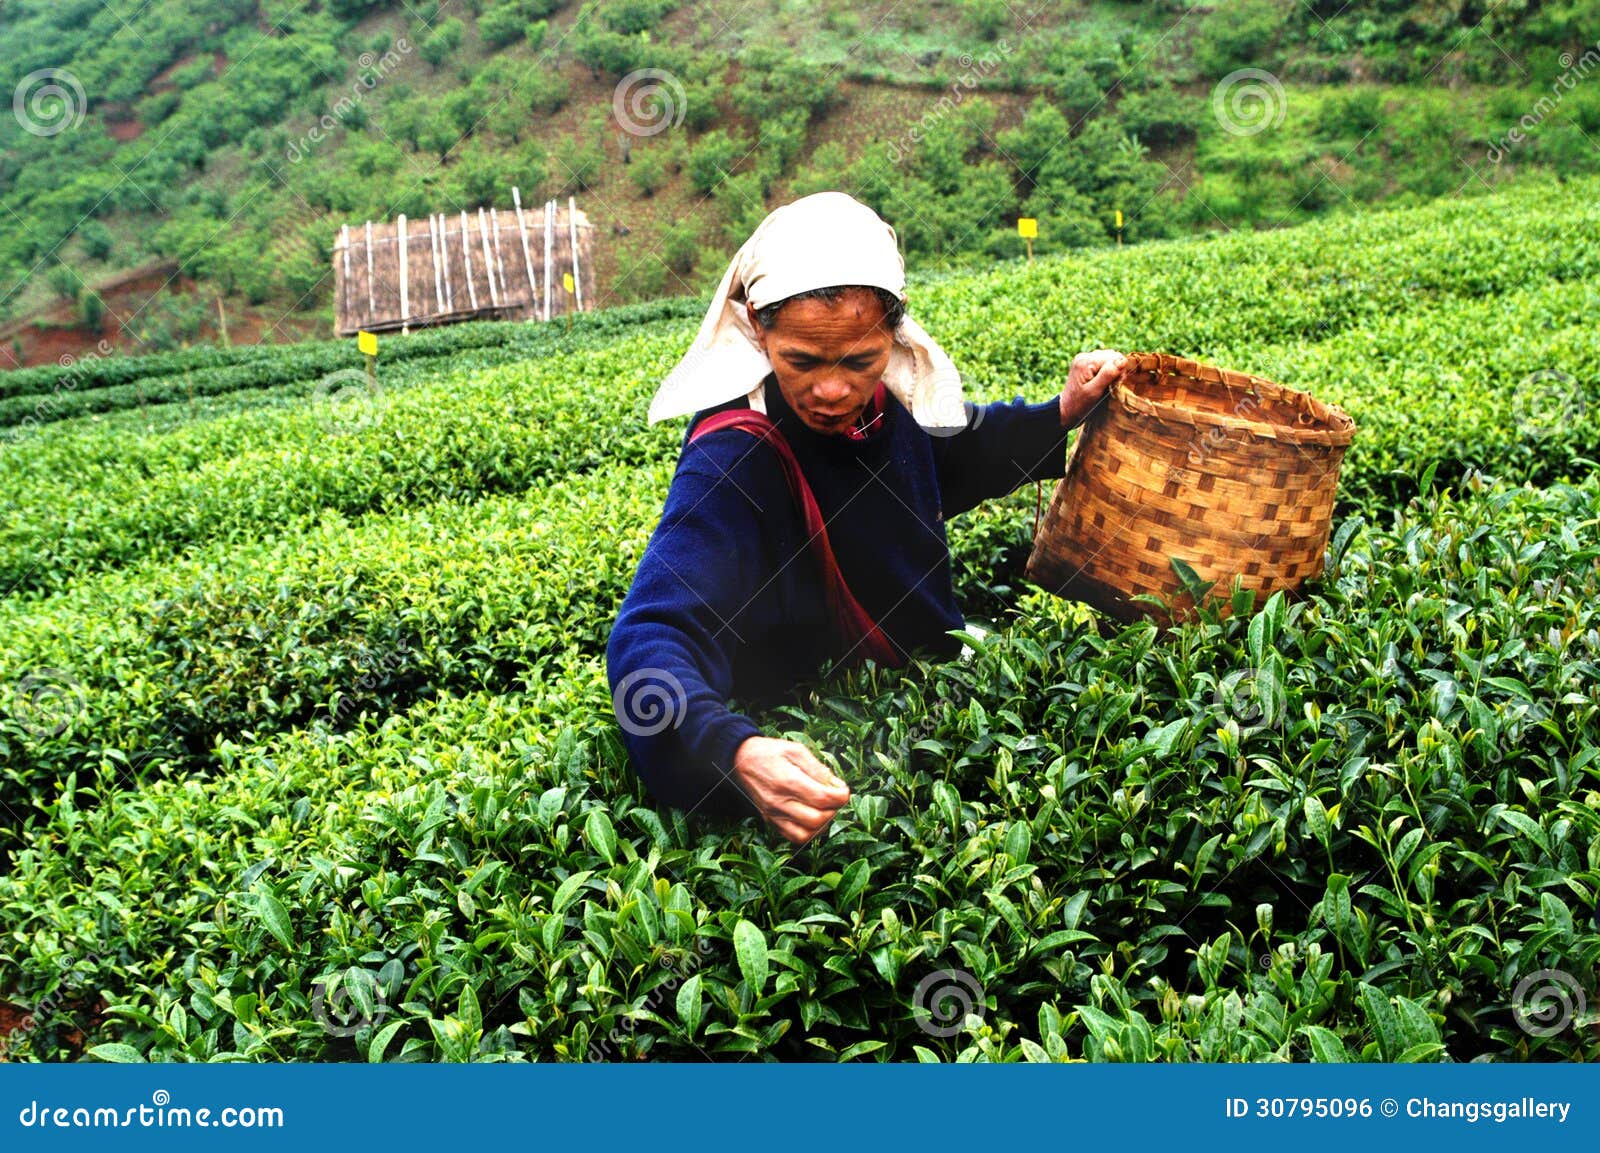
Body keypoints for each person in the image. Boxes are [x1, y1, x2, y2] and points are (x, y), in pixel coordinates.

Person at [605, 191, 1126, 846]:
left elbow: (954, 454)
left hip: (934, 691)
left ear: (893, 336)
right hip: (829, 740)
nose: (833, 390)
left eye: (859, 359)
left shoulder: (888, 403)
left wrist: (1061, 410)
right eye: (802, 360)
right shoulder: (736, 454)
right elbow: (651, 630)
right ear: (759, 332)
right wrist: (734, 750)